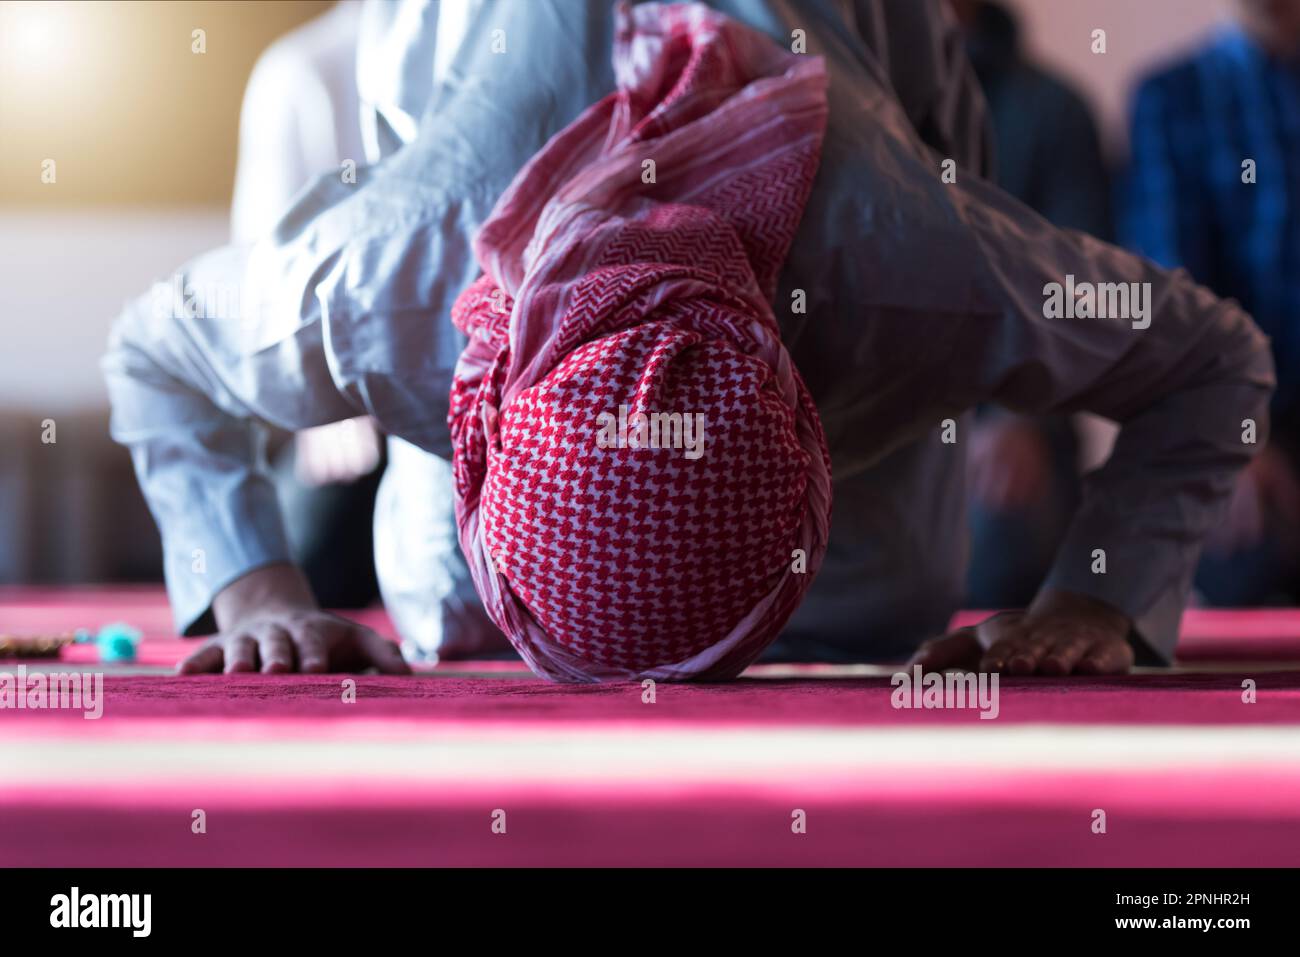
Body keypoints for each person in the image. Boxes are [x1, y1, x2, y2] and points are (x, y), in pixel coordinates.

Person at [104, 0, 1274, 681]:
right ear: (480, 412)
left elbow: (1216, 363)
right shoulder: (387, 288)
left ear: (814, 438)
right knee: (457, 624)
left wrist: (1097, 600)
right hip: (481, 141)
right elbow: (156, 350)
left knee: (869, 619)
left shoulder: (922, 279)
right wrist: (252, 591)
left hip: (855, 197)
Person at [1123, 0, 1300, 607]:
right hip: (1250, 424)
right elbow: (1175, 302)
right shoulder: (1172, 98)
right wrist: (1237, 435)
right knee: (1239, 551)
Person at [953, 0, 1113, 610]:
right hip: (879, 434)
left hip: (1015, 426)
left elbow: (1080, 297)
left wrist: (1022, 418)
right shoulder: (853, 110)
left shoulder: (1054, 110)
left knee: (1000, 544)